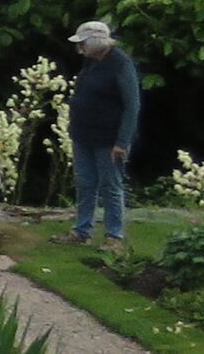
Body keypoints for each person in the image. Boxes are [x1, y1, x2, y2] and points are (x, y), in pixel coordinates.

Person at [51, 20, 140, 250]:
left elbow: (131, 106)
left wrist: (122, 141)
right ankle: (82, 231)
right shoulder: (91, 63)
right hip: (84, 135)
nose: (79, 49)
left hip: (109, 139)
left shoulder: (121, 64)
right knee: (85, 183)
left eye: (83, 44)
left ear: (96, 42)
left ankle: (114, 236)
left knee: (110, 186)